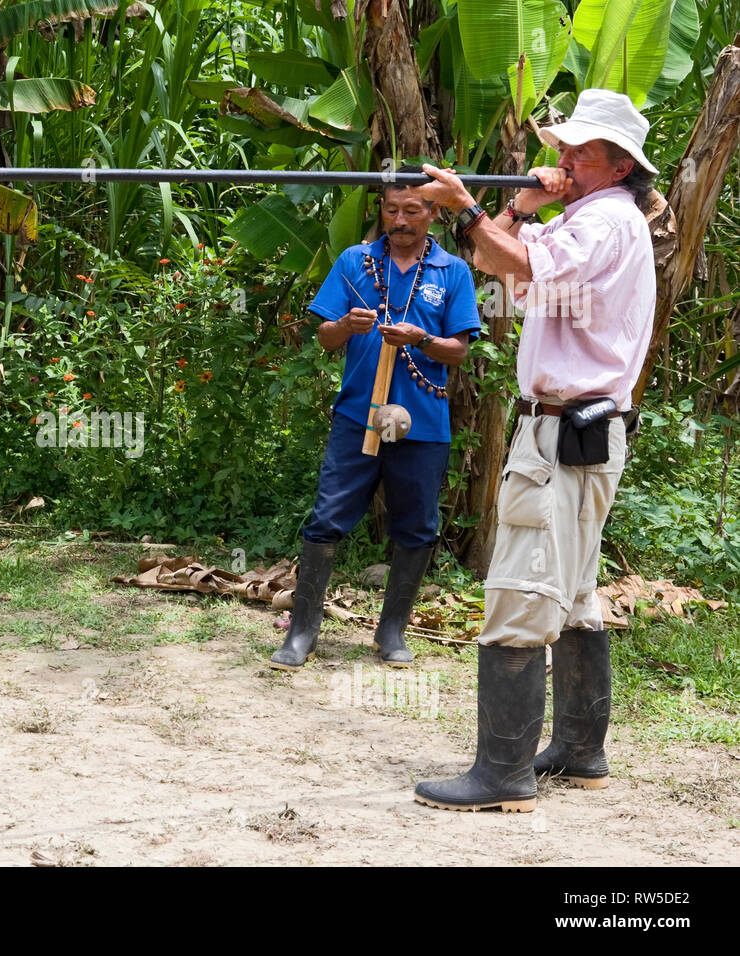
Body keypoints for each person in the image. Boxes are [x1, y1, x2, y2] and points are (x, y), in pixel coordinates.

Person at [411, 89, 657, 811]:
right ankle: (581, 753)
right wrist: (516, 207)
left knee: (519, 593)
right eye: (563, 149)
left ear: (619, 167)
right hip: (575, 432)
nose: (565, 160)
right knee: (574, 596)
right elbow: (508, 270)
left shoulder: (604, 222)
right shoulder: (591, 220)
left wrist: (465, 208)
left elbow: (500, 255)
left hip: (561, 435)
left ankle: (503, 775)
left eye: (582, 153)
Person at [269, 165, 480, 671]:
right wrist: (344, 324)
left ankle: (391, 632)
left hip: (422, 421)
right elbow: (324, 338)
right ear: (381, 211)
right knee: (326, 519)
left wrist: (421, 339)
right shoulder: (355, 261)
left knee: (417, 526)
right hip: (358, 416)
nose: (400, 219)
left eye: (412, 210)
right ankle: (302, 633)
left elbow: (458, 352)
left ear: (432, 213)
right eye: (391, 209)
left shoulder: (452, 272)